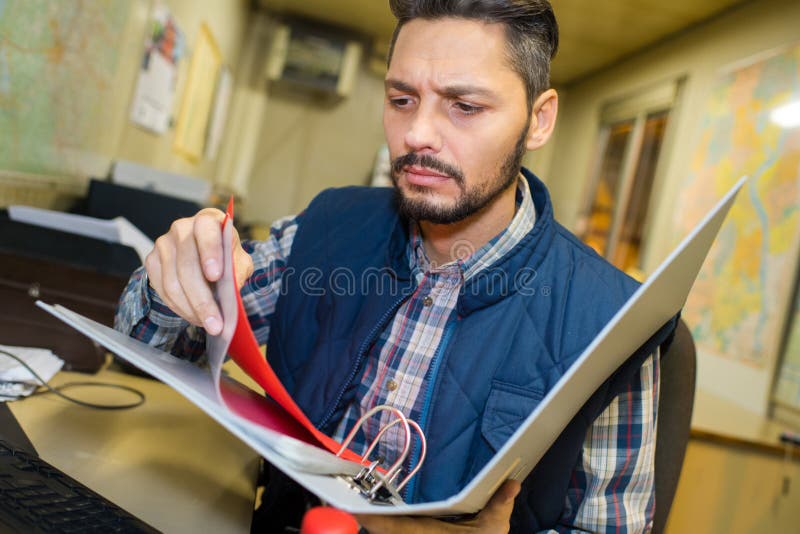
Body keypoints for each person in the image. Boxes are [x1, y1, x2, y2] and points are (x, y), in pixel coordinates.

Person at [115, 1, 675, 532]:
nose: (416, 135)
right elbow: (150, 353)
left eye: (465, 106)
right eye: (402, 99)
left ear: (538, 119)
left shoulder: (613, 322)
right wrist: (172, 284)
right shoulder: (328, 228)